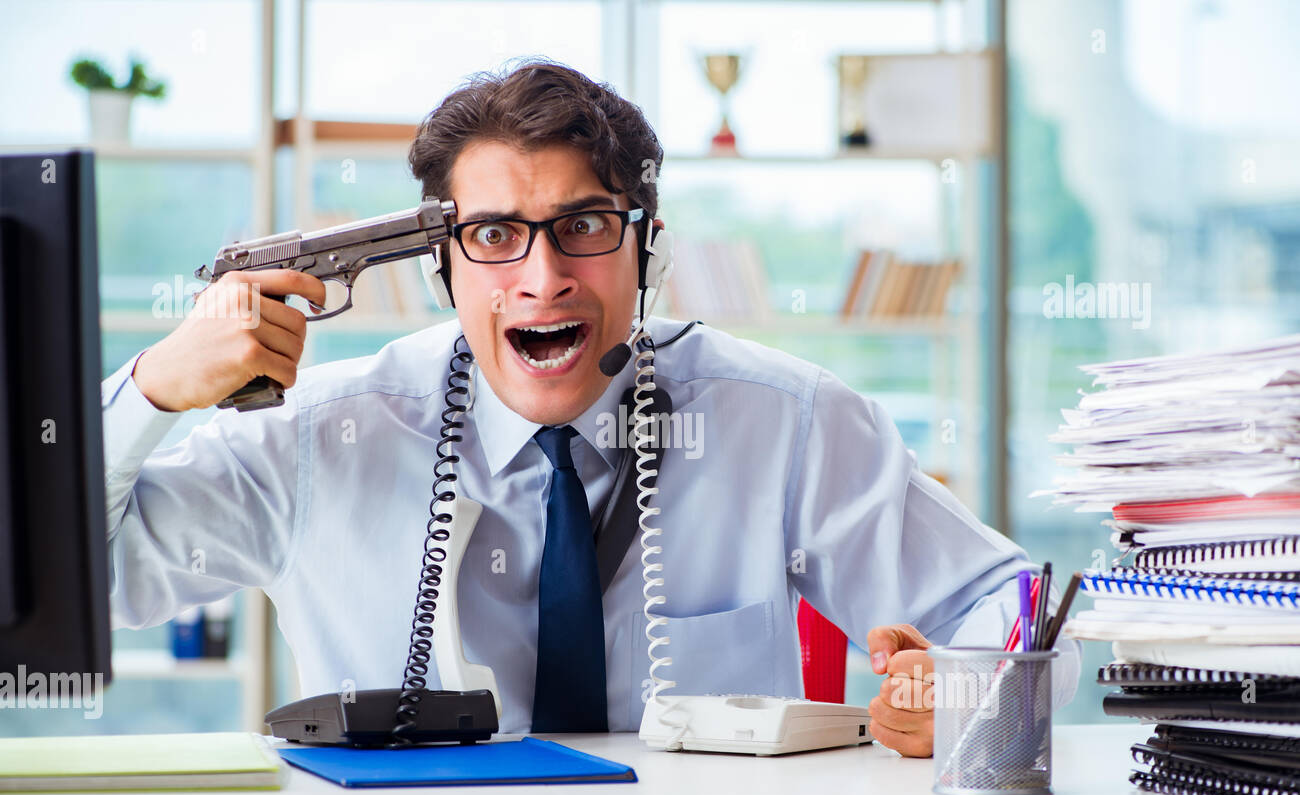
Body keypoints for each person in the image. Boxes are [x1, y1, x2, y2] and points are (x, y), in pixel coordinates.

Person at [104, 59, 1080, 755]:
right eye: (493, 233)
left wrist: (963, 692)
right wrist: (151, 390)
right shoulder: (318, 437)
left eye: (583, 227)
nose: (543, 278)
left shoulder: (784, 422)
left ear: (645, 248)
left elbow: (1022, 615)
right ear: (443, 266)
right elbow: (70, 594)